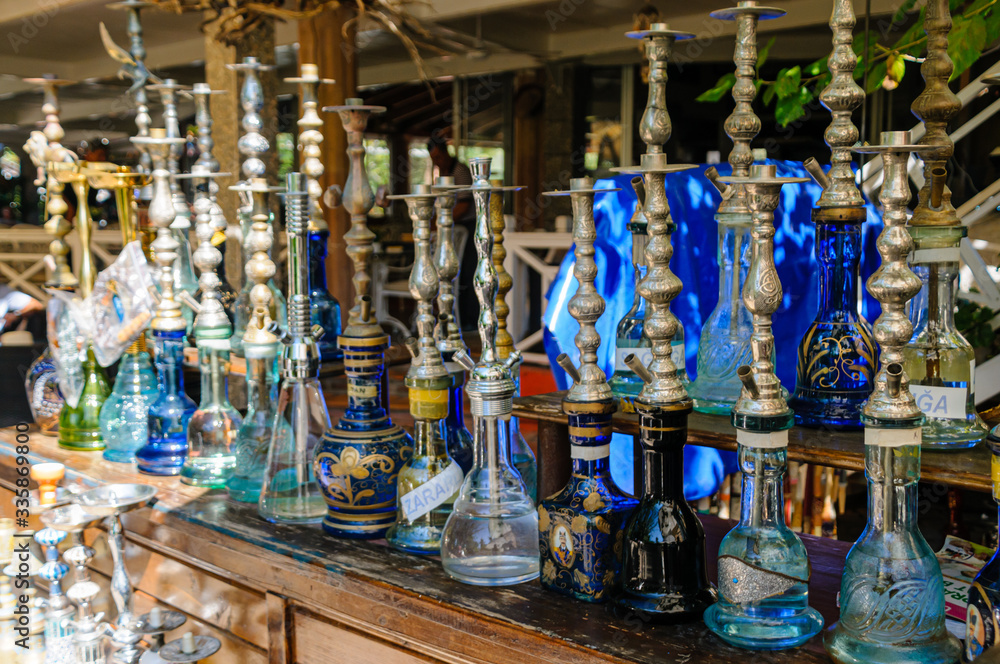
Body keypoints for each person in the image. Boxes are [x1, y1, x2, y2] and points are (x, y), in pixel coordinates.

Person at [427, 133, 478, 330]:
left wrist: (440, 222)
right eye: (434, 159)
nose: (437, 162)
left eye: (438, 157)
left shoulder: (460, 171)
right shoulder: (444, 173)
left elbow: (463, 205)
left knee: (467, 273)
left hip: (467, 227)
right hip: (454, 227)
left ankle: (469, 320)